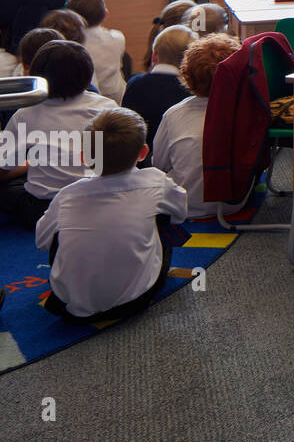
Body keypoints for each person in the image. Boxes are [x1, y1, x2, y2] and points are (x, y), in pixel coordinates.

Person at [35, 107, 188, 323]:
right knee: (164, 219)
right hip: (135, 300)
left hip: (69, 305)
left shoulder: (67, 194)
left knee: (59, 230)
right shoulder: (155, 181)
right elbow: (180, 213)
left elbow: (42, 241)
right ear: (143, 152)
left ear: (85, 157)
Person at [0, 41, 115, 228]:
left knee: (10, 187)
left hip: (43, 209)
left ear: (35, 75)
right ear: (88, 74)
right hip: (99, 203)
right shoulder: (108, 106)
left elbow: (3, 168)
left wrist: (30, 165)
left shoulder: (26, 113)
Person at [152, 33, 240, 219]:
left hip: (184, 204)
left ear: (186, 75)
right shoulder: (243, 111)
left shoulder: (174, 114)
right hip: (234, 203)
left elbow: (160, 163)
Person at [122, 24, 195, 146]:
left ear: (154, 55)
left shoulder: (134, 84)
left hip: (136, 153)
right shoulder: (190, 91)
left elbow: (125, 124)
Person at [66, 0, 127, 104]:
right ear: (105, 14)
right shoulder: (117, 38)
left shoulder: (72, 44)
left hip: (87, 99)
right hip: (118, 97)